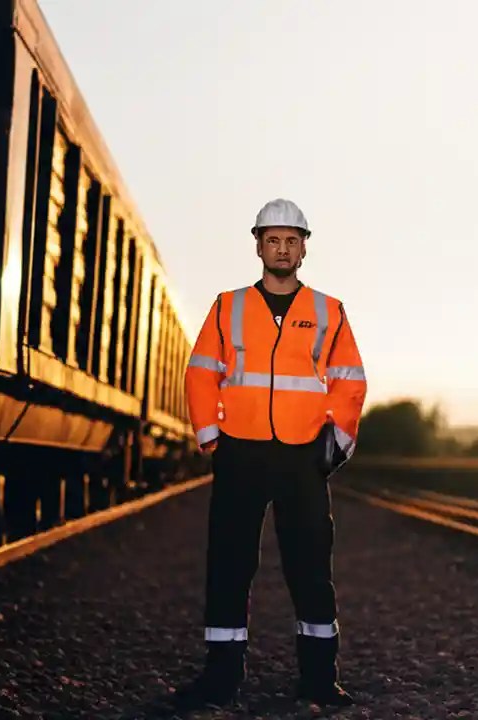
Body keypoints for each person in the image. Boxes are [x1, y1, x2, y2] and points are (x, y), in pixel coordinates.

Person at [174, 198, 367, 709]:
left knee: (310, 568)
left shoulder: (329, 310)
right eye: (273, 240)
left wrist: (336, 440)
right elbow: (201, 371)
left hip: (302, 456)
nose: (282, 249)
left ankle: (320, 680)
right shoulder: (227, 306)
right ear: (258, 246)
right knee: (229, 564)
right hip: (240, 450)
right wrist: (210, 434)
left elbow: (349, 379)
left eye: (291, 241)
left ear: (304, 249)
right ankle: (220, 679)